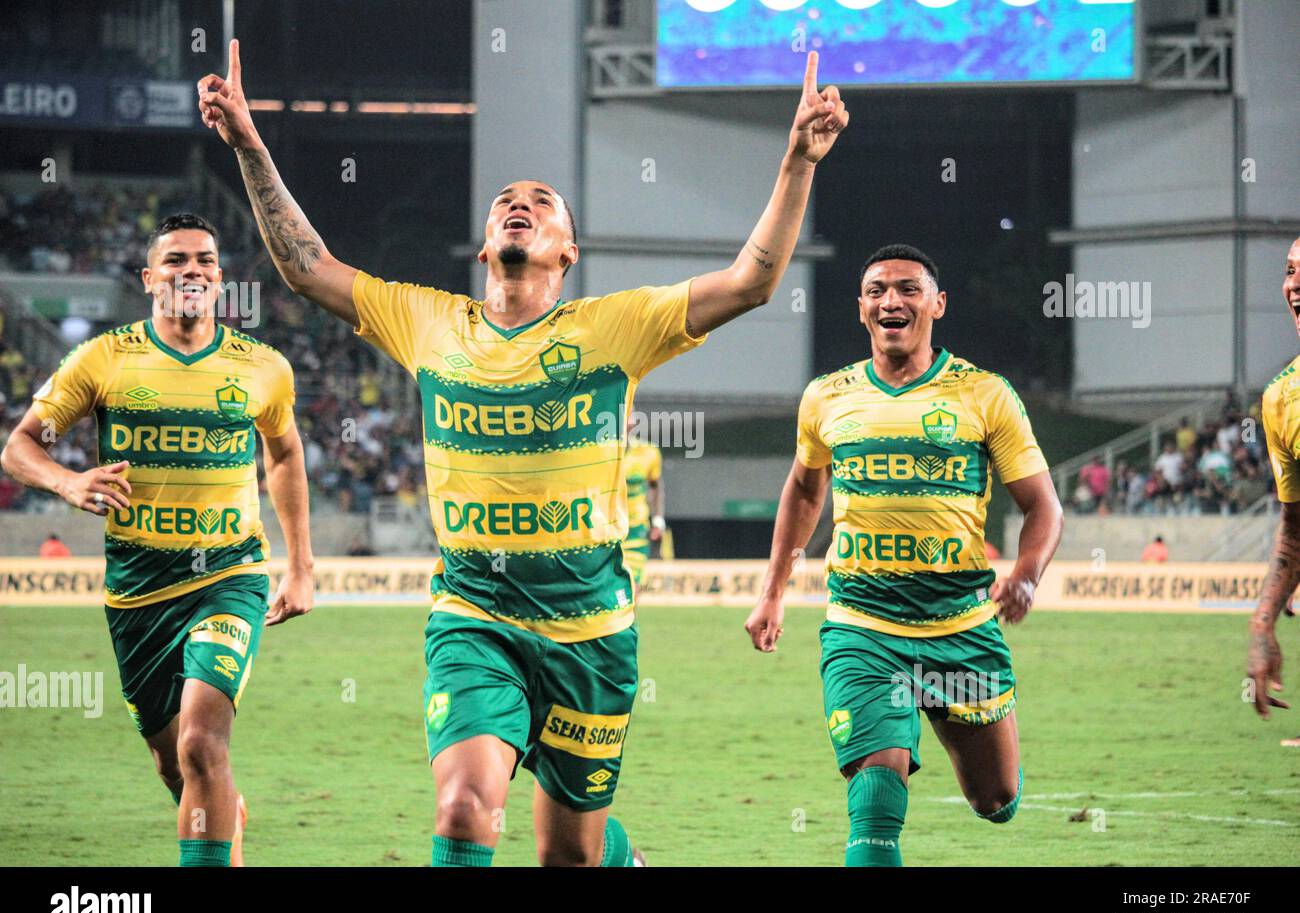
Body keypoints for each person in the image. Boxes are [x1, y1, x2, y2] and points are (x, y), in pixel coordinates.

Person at [198, 39, 848, 866]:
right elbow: (306, 268)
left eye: (543, 203)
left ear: (567, 252)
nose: (521, 205)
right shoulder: (429, 322)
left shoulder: (614, 326)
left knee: (568, 856)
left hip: (592, 633)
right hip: (476, 618)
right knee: (465, 809)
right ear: (481, 247)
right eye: (508, 200)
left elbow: (752, 280)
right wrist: (252, 147)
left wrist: (796, 161)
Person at [0, 213, 314, 866]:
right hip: (138, 593)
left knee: (202, 744)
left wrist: (301, 568)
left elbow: (284, 456)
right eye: (174, 261)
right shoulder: (104, 359)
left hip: (229, 577)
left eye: (203, 260)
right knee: (176, 765)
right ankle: (223, 811)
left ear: (221, 280)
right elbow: (20, 446)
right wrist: (67, 482)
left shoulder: (262, 368)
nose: (190, 270)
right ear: (149, 278)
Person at [744, 244, 1063, 866]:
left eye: (909, 289)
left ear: (937, 304)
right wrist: (773, 591)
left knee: (995, 799)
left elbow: (1043, 506)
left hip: (962, 628)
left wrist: (1026, 574)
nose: (892, 300)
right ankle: (893, 733)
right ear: (862, 309)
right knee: (876, 792)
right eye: (877, 290)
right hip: (862, 628)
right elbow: (806, 491)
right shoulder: (827, 397)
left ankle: (940, 711)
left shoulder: (984, 395)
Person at [1247, 235, 1300, 748]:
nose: (1295, 283)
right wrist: (1262, 624)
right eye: (1289, 270)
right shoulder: (1282, 398)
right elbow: (1296, 526)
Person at [622, 435, 664, 586]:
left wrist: (658, 519)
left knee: (635, 583)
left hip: (636, 527)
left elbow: (655, 484)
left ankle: (632, 610)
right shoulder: (600, 452)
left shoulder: (648, 452)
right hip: (608, 528)